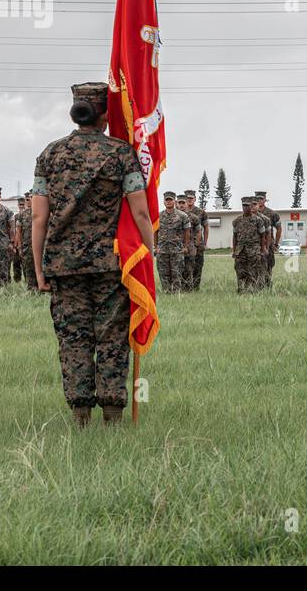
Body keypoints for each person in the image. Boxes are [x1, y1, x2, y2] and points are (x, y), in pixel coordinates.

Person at [32, 82, 154, 428]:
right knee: (112, 338)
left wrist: (40, 269)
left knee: (73, 340)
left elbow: (39, 217)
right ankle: (113, 417)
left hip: (63, 266)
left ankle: (80, 416)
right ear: (104, 114)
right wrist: (149, 258)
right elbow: (141, 214)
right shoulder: (120, 154)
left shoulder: (50, 155)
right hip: (111, 266)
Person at [156, 192, 190, 293]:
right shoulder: (159, 216)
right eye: (167, 200)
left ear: (175, 201)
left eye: (171, 200)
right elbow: (155, 231)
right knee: (163, 274)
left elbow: (187, 231)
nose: (169, 202)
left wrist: (185, 246)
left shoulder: (182, 216)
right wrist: (155, 246)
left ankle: (176, 294)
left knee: (177, 273)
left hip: (177, 250)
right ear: (164, 202)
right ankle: (166, 293)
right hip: (162, 250)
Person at [231, 196, 267, 292]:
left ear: (251, 206)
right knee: (240, 270)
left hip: (254, 250)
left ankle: (253, 290)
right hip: (240, 250)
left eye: (247, 205)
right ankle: (241, 289)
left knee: (253, 271)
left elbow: (262, 236)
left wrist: (262, 249)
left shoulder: (258, 220)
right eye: (244, 206)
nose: (245, 208)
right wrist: (234, 250)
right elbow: (234, 236)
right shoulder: (236, 221)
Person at [254, 190, 282, 288]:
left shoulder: (271, 213)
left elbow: (279, 228)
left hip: (268, 244)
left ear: (265, 200)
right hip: (255, 245)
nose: (259, 201)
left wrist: (276, 244)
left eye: (261, 199)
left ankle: (267, 286)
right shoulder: (252, 213)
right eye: (257, 199)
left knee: (268, 266)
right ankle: (256, 285)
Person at [184, 188, 208, 291]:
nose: (189, 200)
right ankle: (186, 286)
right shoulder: (181, 212)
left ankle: (196, 287)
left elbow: (206, 228)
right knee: (186, 266)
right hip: (186, 243)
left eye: (191, 198)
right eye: (187, 198)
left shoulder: (201, 212)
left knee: (198, 266)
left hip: (198, 243)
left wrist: (205, 243)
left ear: (195, 199)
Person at [13, 196, 38, 292]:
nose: (30, 200)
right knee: (29, 269)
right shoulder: (22, 215)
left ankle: (43, 289)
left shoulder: (43, 212)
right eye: (28, 198)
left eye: (32, 197)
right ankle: (32, 291)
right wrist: (19, 247)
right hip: (27, 247)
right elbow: (18, 232)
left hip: (41, 246)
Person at [178, 194, 201, 291]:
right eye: (180, 203)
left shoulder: (194, 217)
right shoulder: (174, 216)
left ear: (187, 204)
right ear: (176, 204)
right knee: (178, 270)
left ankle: (188, 290)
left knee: (189, 270)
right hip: (176, 247)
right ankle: (177, 289)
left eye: (183, 203)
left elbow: (199, 231)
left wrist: (196, 244)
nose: (182, 205)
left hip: (189, 248)